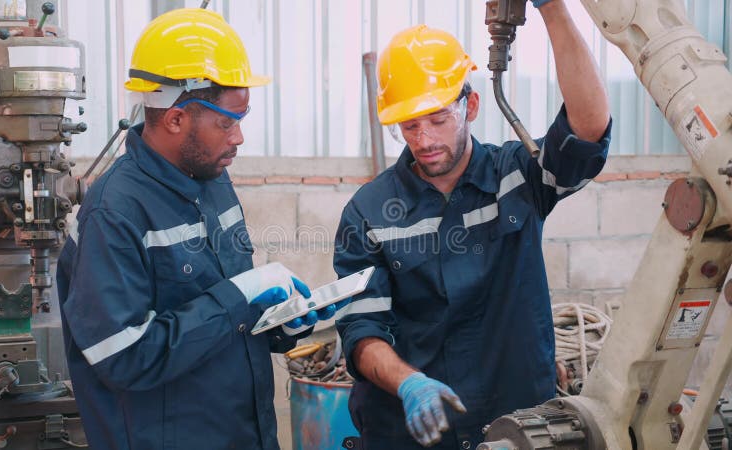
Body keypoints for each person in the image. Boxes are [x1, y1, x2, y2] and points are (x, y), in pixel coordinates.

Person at [333, 1, 612, 448]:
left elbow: (589, 129)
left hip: (517, 427)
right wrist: (409, 383)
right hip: (413, 432)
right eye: (408, 125)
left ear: (472, 105)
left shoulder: (518, 178)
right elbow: (362, 328)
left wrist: (553, 9)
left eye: (438, 119)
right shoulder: (368, 212)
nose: (424, 140)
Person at [56, 9, 335, 450]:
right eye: (228, 121)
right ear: (175, 118)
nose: (239, 137)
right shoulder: (115, 212)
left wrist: (281, 321)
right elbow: (124, 357)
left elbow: (225, 319)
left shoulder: (211, 180)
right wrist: (238, 296)